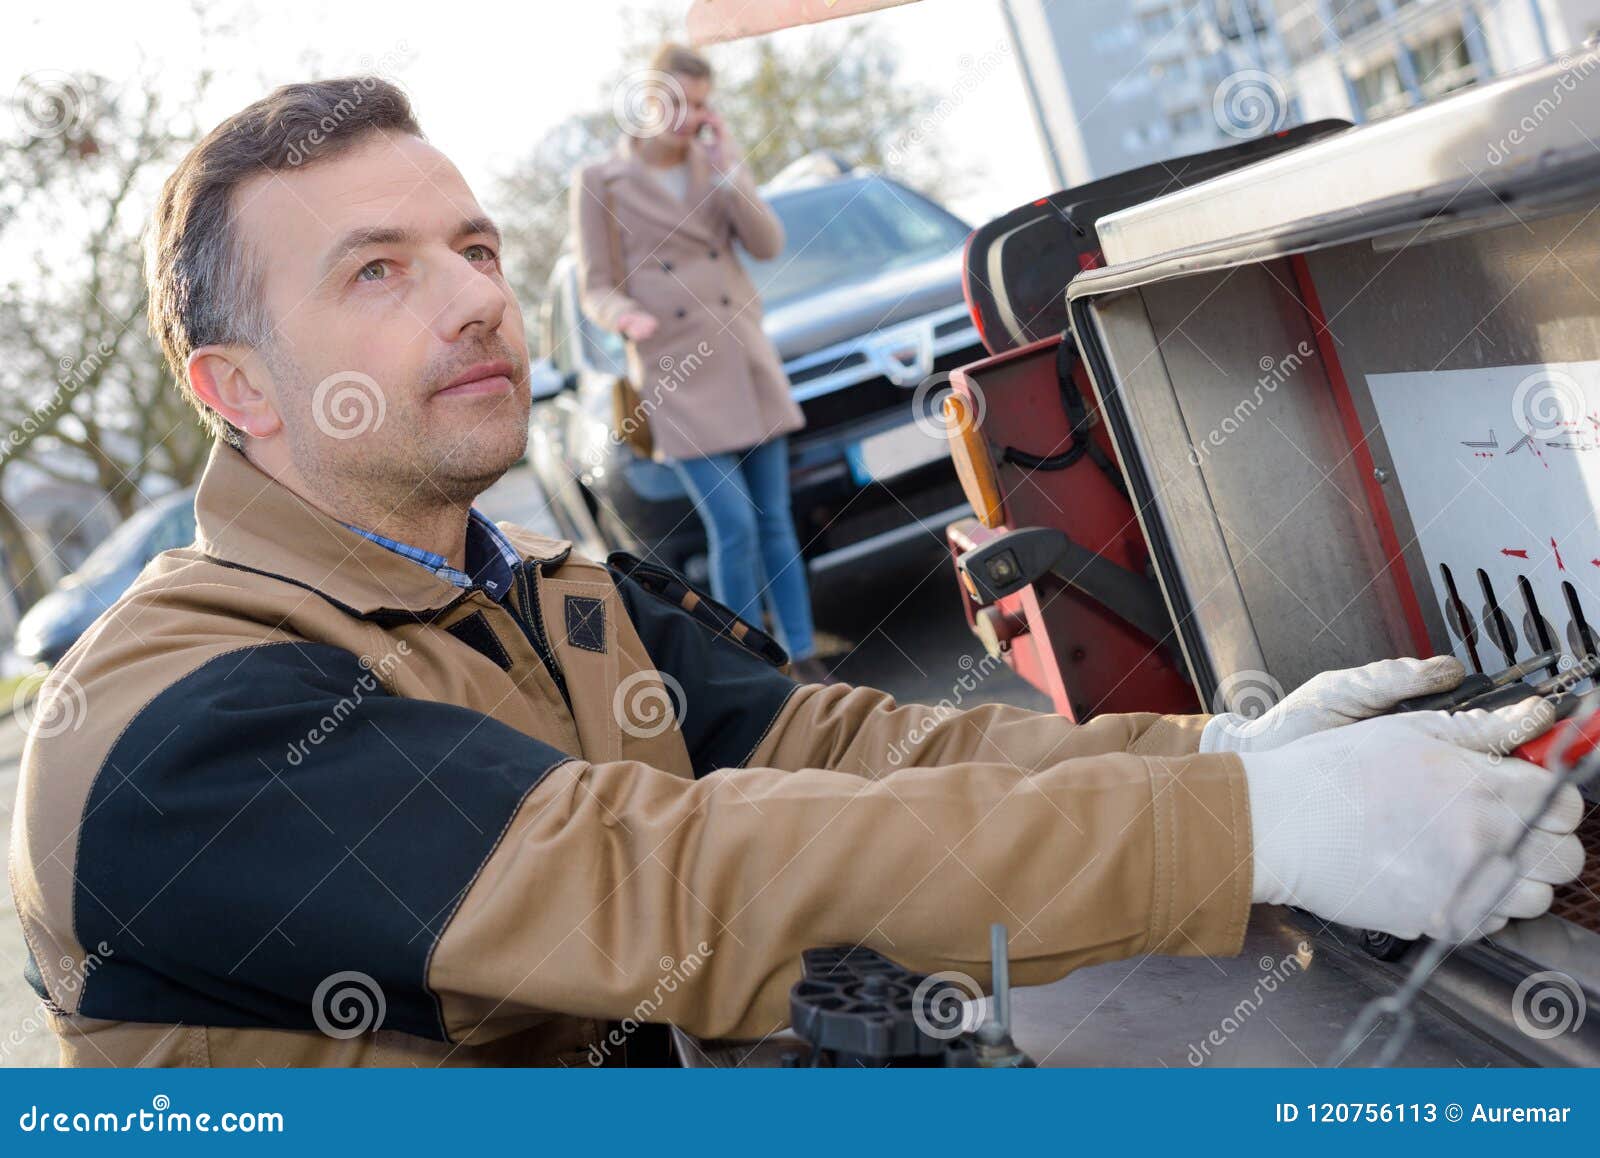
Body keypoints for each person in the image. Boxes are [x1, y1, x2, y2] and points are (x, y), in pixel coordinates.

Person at [9, 78, 1581, 1069]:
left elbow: (843, 745)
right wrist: (1252, 831)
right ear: (240, 391)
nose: (475, 300)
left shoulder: (538, 582)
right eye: (377, 270)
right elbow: (669, 880)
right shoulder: (175, 719)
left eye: (476, 248)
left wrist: (1219, 752)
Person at [570, 43, 827, 683]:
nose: (693, 116)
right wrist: (625, 316)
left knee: (775, 520)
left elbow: (766, 244)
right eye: (682, 102)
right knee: (734, 524)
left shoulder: (712, 167)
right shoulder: (600, 180)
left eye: (705, 104)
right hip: (674, 370)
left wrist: (730, 165)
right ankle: (751, 666)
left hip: (745, 358)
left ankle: (803, 654)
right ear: (650, 99)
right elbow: (594, 286)